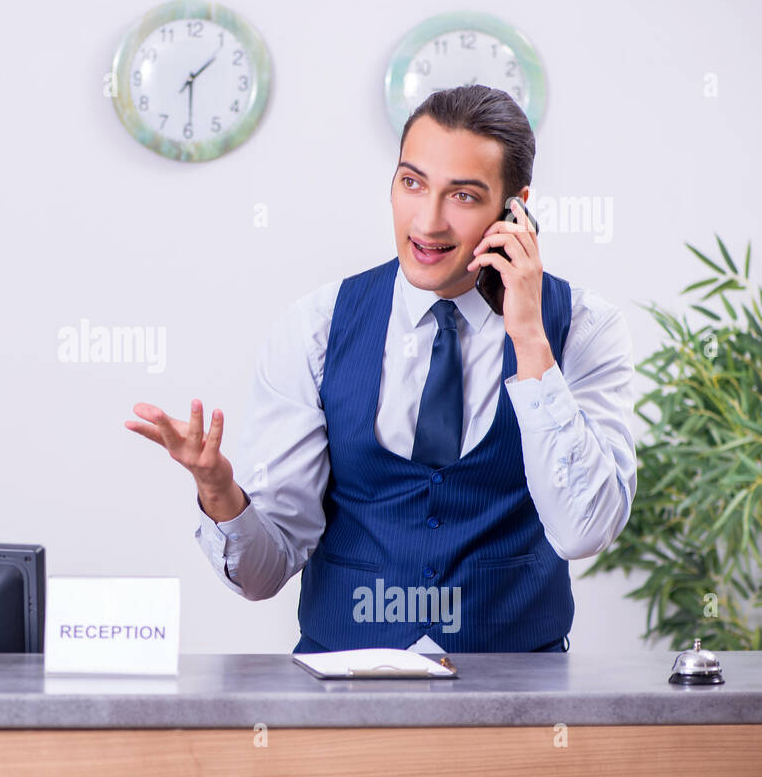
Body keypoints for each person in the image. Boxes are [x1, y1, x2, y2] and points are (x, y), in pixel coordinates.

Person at [125, 84, 637, 653]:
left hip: (520, 699)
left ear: (514, 209)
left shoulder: (583, 328)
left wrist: (530, 339)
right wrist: (220, 493)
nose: (429, 222)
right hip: (340, 699)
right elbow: (261, 576)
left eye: (463, 196)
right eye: (412, 183)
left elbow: (585, 530)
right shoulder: (315, 328)